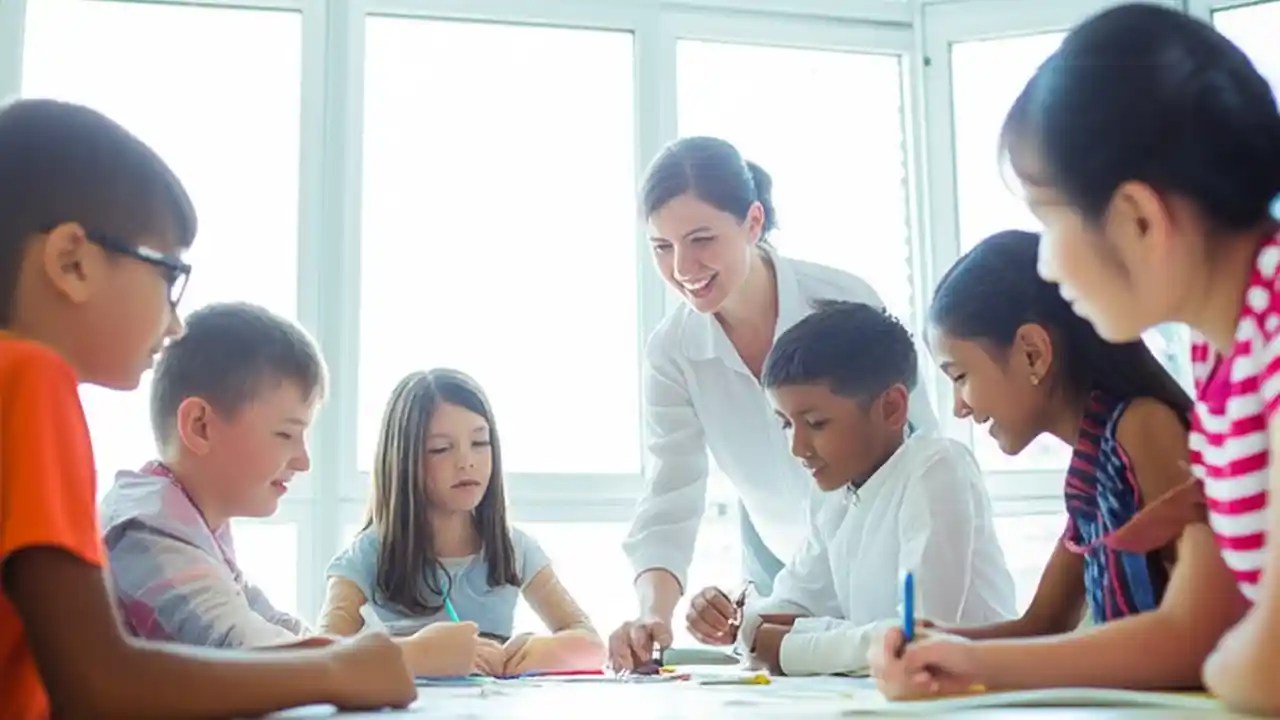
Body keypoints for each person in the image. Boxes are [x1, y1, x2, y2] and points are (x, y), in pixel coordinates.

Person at [0, 98, 413, 719]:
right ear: (72, 261)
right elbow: (97, 681)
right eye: (169, 277)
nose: (174, 324)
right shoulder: (29, 381)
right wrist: (333, 670)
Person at [983, 5, 1280, 712]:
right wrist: (963, 663)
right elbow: (1190, 631)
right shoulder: (1225, 355)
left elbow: (1263, 670)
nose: (1048, 266)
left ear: (1138, 220)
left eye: (1048, 220)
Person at [871, 227, 1247, 696]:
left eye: (960, 376)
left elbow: (1195, 633)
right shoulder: (1091, 466)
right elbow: (1043, 623)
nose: (959, 407)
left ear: (1033, 352)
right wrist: (938, 643)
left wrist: (968, 660)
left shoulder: (1140, 428)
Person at [609, 136, 937, 671]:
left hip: (883, 561)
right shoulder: (672, 352)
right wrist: (654, 616)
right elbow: (670, 494)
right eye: (661, 247)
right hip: (785, 575)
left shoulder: (841, 300)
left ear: (753, 222)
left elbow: (920, 447)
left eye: (701, 239)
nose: (683, 266)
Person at [99, 302, 476, 677]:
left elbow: (272, 624)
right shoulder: (146, 527)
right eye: (285, 434)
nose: (303, 461)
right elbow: (241, 651)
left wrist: (404, 650)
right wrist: (410, 656)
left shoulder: (191, 520)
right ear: (200, 426)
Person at [687, 301, 1014, 677]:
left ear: (891, 408)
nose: (797, 447)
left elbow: (917, 635)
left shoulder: (936, 468)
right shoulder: (833, 495)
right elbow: (790, 605)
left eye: (816, 423)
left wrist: (787, 646)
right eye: (786, 424)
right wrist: (731, 617)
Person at [320, 369, 606, 677]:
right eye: (442, 449)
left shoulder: (515, 549)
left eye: (480, 443)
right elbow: (320, 655)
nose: (467, 462)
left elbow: (591, 644)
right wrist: (416, 654)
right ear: (403, 460)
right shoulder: (368, 554)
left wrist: (538, 651)